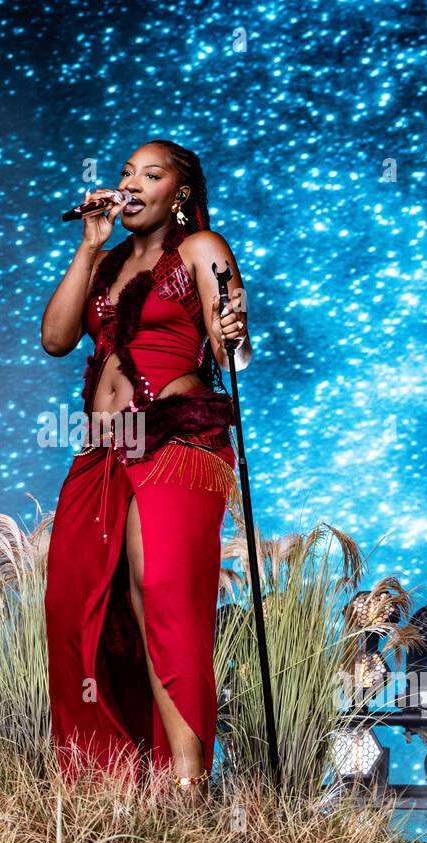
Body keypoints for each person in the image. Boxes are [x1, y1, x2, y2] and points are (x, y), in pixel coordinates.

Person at [41, 139, 252, 800]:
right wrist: (86, 246)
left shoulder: (202, 249)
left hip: (176, 435)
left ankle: (187, 784)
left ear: (178, 193)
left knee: (158, 591)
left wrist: (235, 329)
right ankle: (112, 785)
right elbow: (55, 339)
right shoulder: (104, 264)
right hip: (103, 447)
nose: (131, 183)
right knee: (77, 604)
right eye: (126, 172)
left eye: (150, 175)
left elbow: (233, 357)